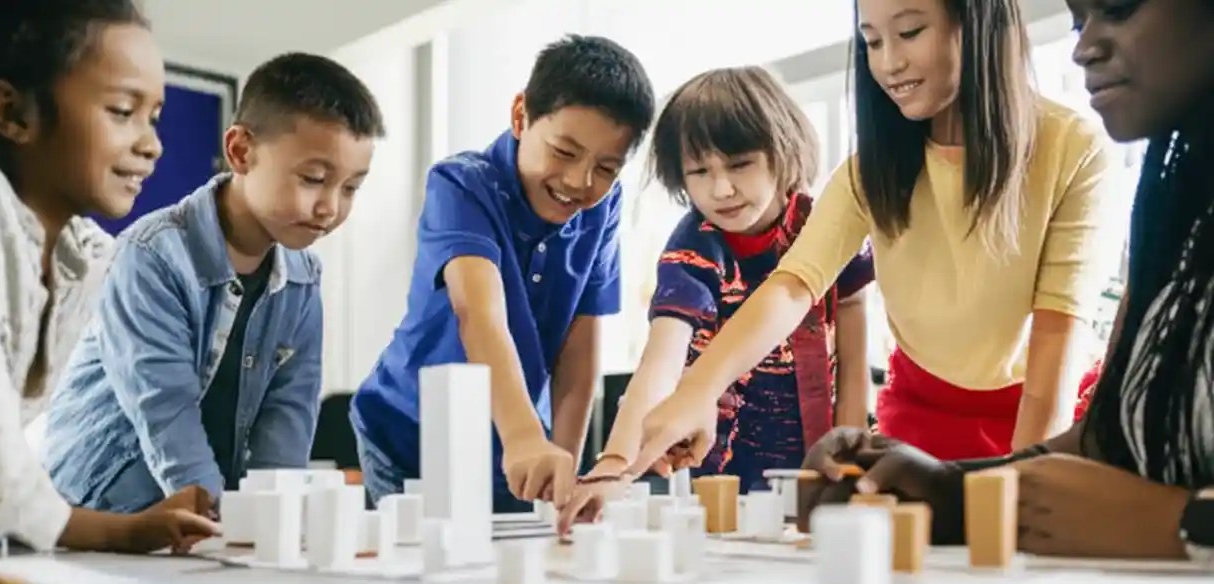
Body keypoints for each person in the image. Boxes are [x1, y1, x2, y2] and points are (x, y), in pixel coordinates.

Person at [626, 0, 1114, 480]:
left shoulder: (1071, 147)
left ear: (976, 21)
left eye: (910, 33)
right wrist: (697, 391)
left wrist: (1021, 485)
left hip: (1043, 416)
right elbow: (792, 286)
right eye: (873, 42)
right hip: (920, 417)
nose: (889, 63)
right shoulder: (869, 172)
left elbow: (1057, 339)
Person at [801, 0, 1214, 560]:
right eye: (1078, 21)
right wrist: (946, 487)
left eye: (1118, 9)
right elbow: (1104, 440)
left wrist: (1180, 523)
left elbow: (1151, 504)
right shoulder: (1176, 216)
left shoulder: (1073, 149)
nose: (1084, 48)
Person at [0, 0, 217, 552]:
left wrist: (134, 528)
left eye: (154, 116)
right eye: (122, 111)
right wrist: (121, 531)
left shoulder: (81, 255)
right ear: (13, 112)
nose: (152, 144)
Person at [44, 53, 383, 512]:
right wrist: (216, 519)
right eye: (314, 178)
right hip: (101, 502)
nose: (330, 207)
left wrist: (272, 517)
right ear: (241, 152)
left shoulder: (303, 277)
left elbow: (289, 413)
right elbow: (166, 412)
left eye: (350, 188)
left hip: (202, 506)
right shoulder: (152, 256)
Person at [559, 67, 873, 531]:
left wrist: (851, 453)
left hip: (817, 464)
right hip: (723, 473)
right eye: (699, 172)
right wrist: (616, 463)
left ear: (783, 152)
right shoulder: (695, 246)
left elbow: (853, 353)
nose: (721, 189)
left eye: (740, 164)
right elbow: (660, 362)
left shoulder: (823, 225)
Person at [350, 35, 655, 512]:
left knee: (524, 552)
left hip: (512, 444)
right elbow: (479, 313)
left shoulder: (603, 208)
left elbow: (579, 348)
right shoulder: (462, 184)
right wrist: (525, 437)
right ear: (520, 116)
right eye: (565, 151)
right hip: (410, 433)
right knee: (428, 554)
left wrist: (562, 468)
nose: (579, 181)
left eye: (606, 168)